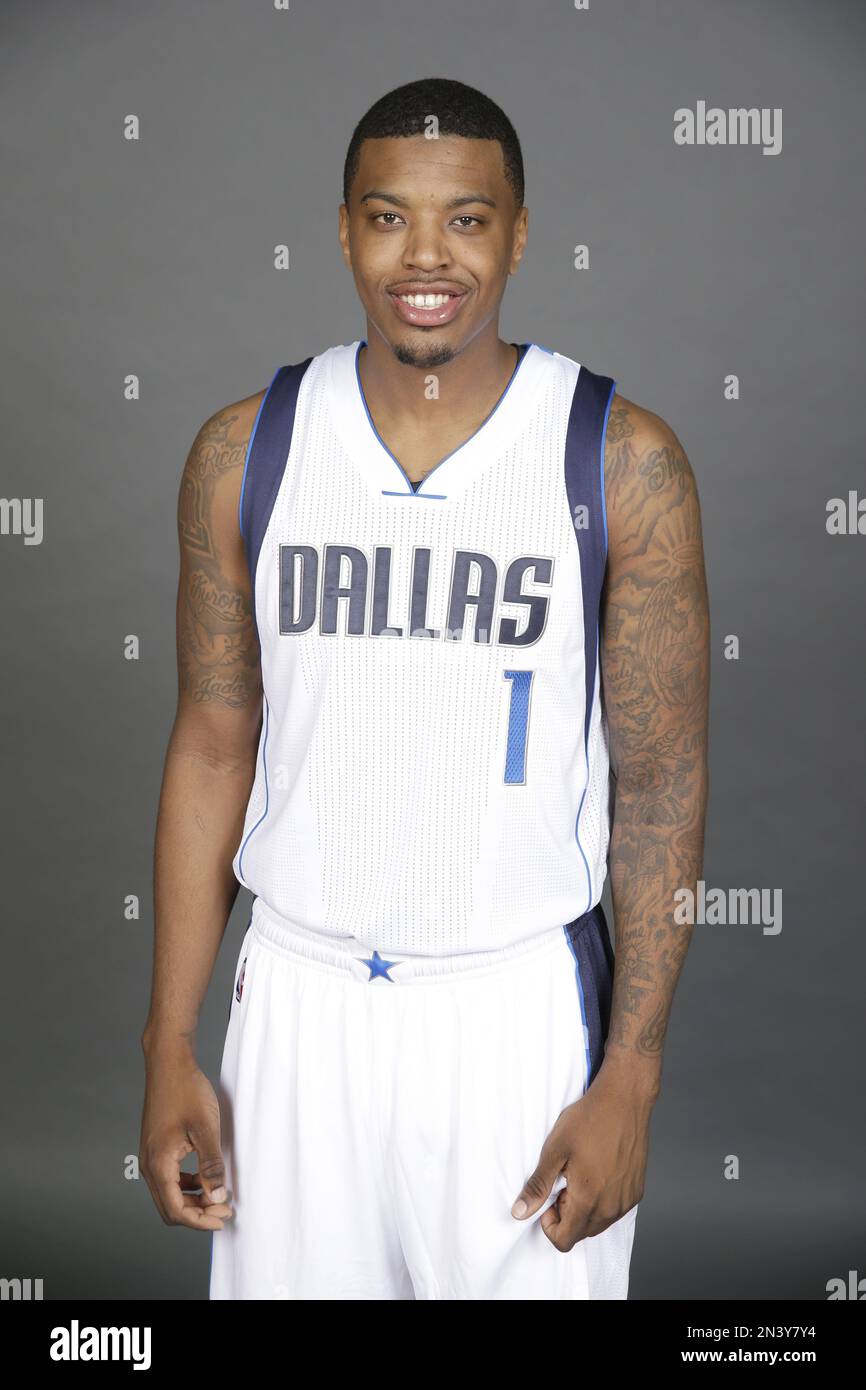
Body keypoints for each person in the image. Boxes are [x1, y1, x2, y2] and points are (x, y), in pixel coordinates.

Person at [139, 76, 710, 1301]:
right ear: (343, 229)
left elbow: (661, 779)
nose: (425, 256)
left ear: (515, 232)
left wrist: (631, 1078)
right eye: (388, 217)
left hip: (513, 1011)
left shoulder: (618, 460)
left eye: (465, 218)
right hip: (296, 1006)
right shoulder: (248, 451)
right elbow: (208, 744)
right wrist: (167, 1041)